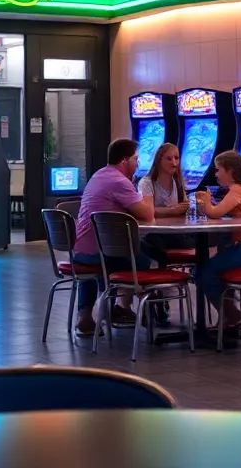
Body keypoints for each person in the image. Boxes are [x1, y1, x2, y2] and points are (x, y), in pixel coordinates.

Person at [72, 138, 155, 337]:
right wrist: (146, 191)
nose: (138, 163)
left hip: (79, 249)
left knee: (133, 252)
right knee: (145, 259)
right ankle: (121, 308)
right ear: (125, 160)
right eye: (136, 158)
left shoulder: (99, 175)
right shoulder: (119, 181)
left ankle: (86, 316)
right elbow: (147, 214)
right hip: (101, 251)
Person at [196, 150, 241, 331]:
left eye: (218, 170)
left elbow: (214, 213)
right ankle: (229, 317)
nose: (216, 174)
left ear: (231, 171)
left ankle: (232, 315)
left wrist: (205, 200)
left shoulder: (238, 189)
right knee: (204, 270)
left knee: (206, 271)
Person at [138, 143, 192, 326]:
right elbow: (148, 211)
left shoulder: (178, 183)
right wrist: (173, 210)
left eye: (176, 158)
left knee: (201, 242)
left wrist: (183, 209)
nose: (174, 162)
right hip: (153, 234)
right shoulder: (147, 183)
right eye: (169, 158)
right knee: (154, 243)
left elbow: (181, 210)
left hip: (175, 234)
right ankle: (159, 294)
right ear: (158, 160)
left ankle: (161, 293)